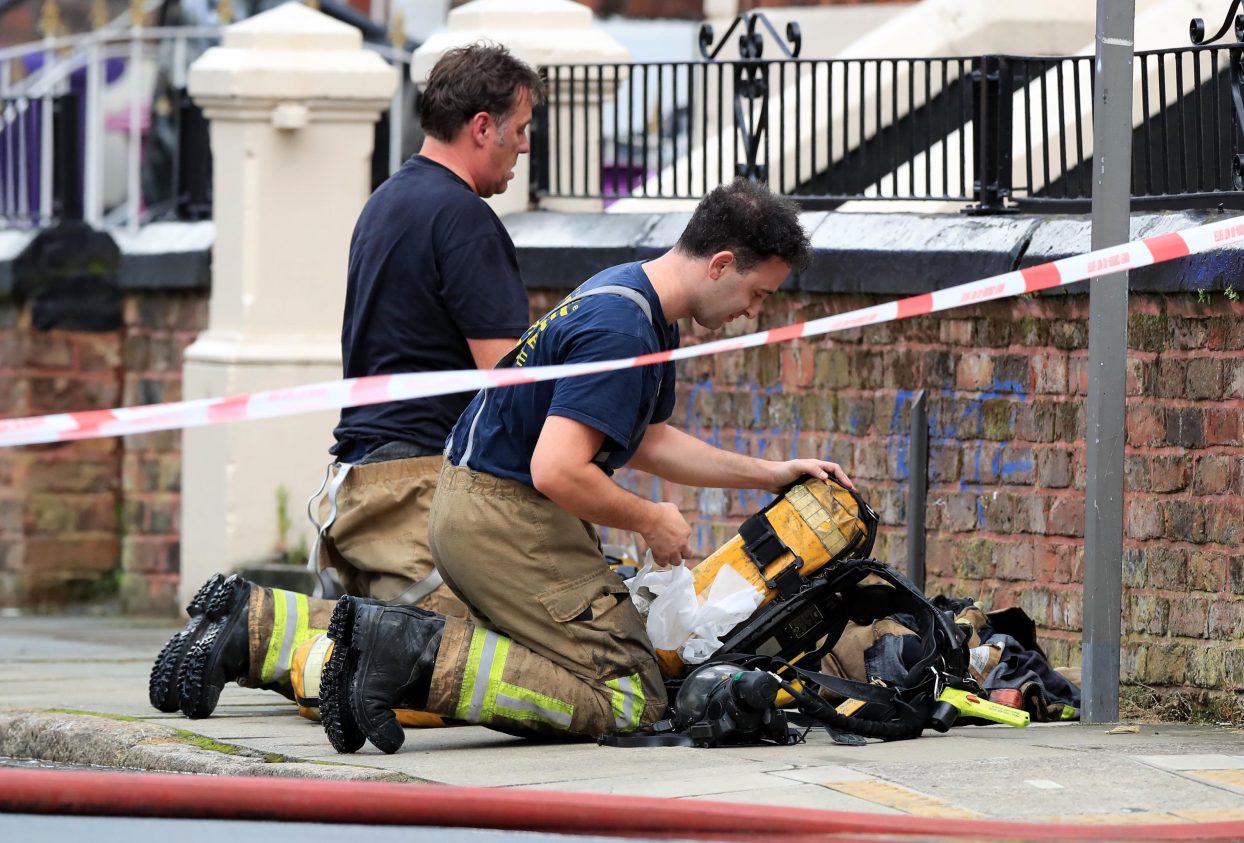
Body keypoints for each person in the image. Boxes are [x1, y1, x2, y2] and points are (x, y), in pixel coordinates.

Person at [318, 179, 853, 754]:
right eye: (758, 293)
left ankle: (402, 648)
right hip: (503, 516)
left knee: (607, 665)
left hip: (485, 505)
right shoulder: (621, 331)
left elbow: (647, 440)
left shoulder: (636, 301)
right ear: (721, 264)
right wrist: (650, 519)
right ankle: (401, 652)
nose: (753, 311)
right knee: (630, 697)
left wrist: (768, 473)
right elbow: (556, 469)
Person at [148, 43, 545, 720]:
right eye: (523, 128)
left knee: (368, 644)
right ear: (483, 127)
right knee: (486, 653)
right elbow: (506, 387)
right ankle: (248, 626)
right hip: (423, 490)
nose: (525, 148)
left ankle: (255, 631)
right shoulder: (466, 221)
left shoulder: (386, 202)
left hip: (358, 486)